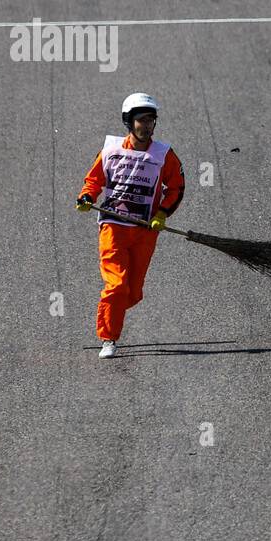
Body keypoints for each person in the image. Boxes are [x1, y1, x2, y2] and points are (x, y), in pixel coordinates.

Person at [76, 93, 185, 358]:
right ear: (129, 122)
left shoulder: (164, 155)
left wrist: (162, 213)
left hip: (145, 230)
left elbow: (177, 187)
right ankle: (109, 338)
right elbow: (93, 180)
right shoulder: (111, 150)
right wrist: (87, 196)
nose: (146, 126)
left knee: (133, 292)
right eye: (141, 120)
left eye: (151, 120)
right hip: (113, 227)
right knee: (116, 285)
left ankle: (111, 311)